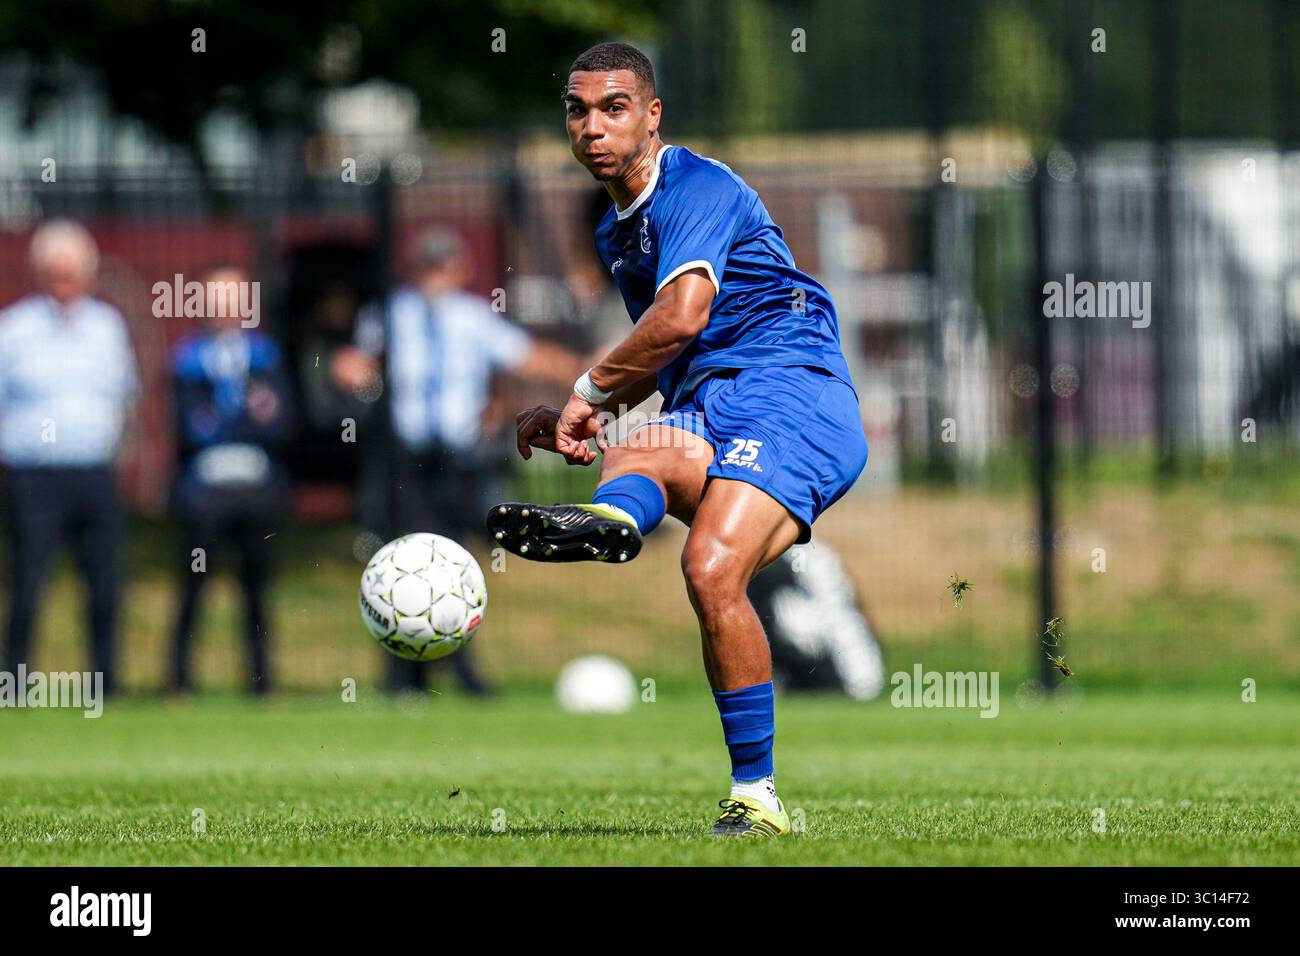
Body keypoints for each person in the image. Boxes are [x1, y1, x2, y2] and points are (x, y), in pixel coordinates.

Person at [487, 42, 869, 837]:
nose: (592, 126)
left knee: (708, 566)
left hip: (793, 396)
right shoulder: (618, 232)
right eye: (578, 109)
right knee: (642, 445)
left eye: (614, 107)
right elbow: (664, 354)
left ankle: (757, 798)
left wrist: (586, 392)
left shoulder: (696, 184)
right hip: (712, 401)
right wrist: (579, 414)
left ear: (652, 116)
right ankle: (617, 521)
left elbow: (683, 316)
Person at [333, 227, 583, 695]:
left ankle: (456, 668)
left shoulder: (472, 319)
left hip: (457, 458)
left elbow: (525, 357)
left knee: (452, 564)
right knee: (403, 563)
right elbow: (359, 365)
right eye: (428, 266)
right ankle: (406, 677)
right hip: (405, 458)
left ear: (460, 269)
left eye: (444, 265)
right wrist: (349, 370)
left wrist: (589, 371)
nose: (436, 276)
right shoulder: (388, 315)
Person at [0, 220, 138, 694]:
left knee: (104, 584)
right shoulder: (14, 329)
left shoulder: (107, 327)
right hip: (33, 475)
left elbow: (124, 395)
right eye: (56, 272)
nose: (66, 282)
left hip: (93, 471)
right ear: (39, 273)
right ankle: (15, 684)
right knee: (28, 581)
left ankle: (107, 684)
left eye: (73, 272)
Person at [168, 264, 293, 696]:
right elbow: (192, 427)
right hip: (206, 490)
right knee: (193, 584)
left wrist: (232, 420)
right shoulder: (187, 358)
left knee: (257, 588)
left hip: (257, 488)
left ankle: (262, 682)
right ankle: (178, 680)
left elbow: (279, 422)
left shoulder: (265, 354)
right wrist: (245, 416)